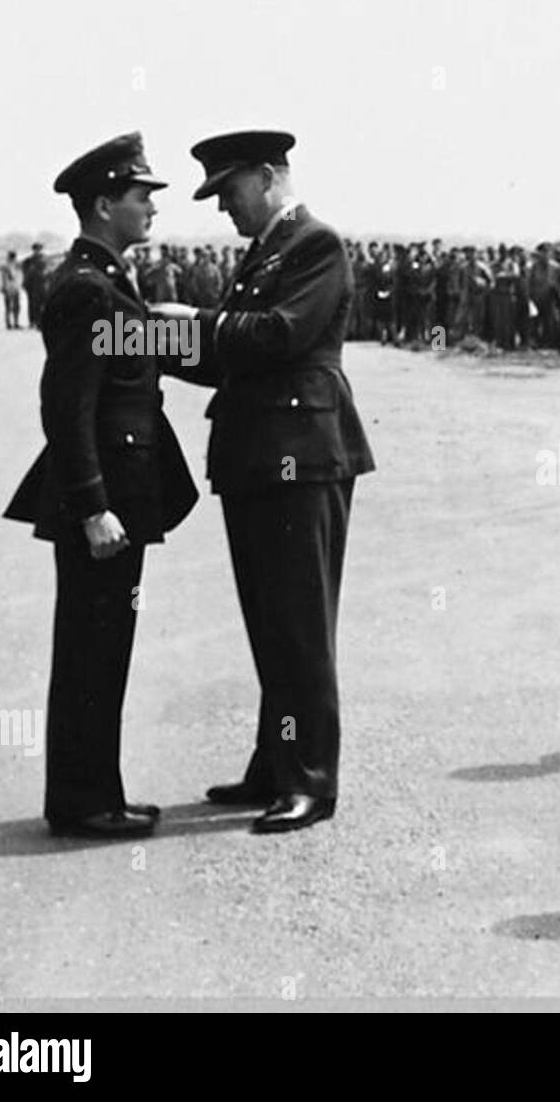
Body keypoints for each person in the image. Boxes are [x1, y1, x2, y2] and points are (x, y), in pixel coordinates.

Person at [151, 130, 375, 834]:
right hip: (256, 456)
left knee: (300, 624)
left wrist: (196, 323)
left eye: (230, 191)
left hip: (304, 455)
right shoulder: (263, 254)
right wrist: (151, 341)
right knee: (268, 619)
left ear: (271, 175)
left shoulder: (316, 245)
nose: (225, 208)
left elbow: (279, 334)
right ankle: (273, 763)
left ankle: (310, 778)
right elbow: (230, 357)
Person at [3, 132, 197, 839]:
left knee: (105, 646)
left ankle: (96, 793)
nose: (152, 208)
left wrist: (209, 336)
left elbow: (146, 356)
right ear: (105, 202)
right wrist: (91, 506)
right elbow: (67, 406)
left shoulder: (111, 283)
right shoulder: (88, 290)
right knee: (91, 649)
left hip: (123, 500)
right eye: (143, 196)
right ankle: (84, 802)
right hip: (104, 508)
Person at [21, 242, 49, 329]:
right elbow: (25, 273)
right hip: (32, 285)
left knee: (43, 303)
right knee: (33, 304)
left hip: (42, 284)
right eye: (37, 249)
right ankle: (33, 321)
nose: (38, 251)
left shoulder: (44, 260)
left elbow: (48, 272)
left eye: (39, 249)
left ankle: (41, 321)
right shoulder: (29, 261)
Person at [0, 251, 22, 329]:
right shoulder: (5, 267)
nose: (13, 259)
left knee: (16, 306)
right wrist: (4, 287)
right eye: (12, 257)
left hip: (15, 287)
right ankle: (9, 323)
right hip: (9, 288)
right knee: (9, 307)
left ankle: (15, 323)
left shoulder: (17, 266)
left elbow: (19, 277)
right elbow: (4, 278)